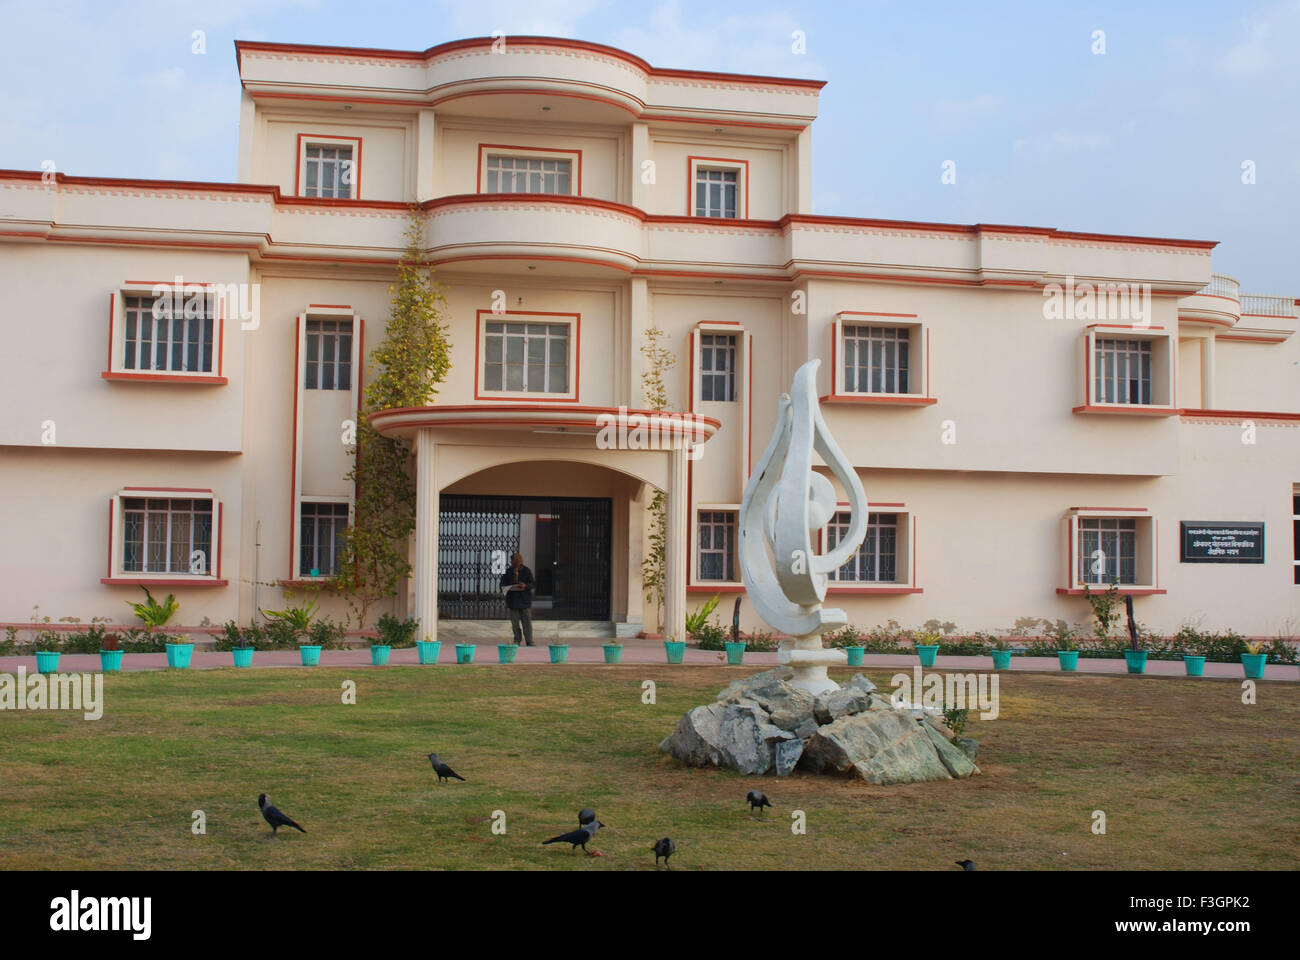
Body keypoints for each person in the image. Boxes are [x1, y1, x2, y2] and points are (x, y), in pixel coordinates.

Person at [499, 552, 535, 646]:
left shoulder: (526, 571)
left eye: (512, 560)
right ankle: (517, 639)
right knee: (515, 623)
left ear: (517, 560)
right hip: (513, 601)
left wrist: (525, 585)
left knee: (527, 622)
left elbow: (532, 584)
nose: (511, 562)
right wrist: (506, 588)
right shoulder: (508, 572)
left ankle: (529, 640)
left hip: (524, 601)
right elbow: (502, 584)